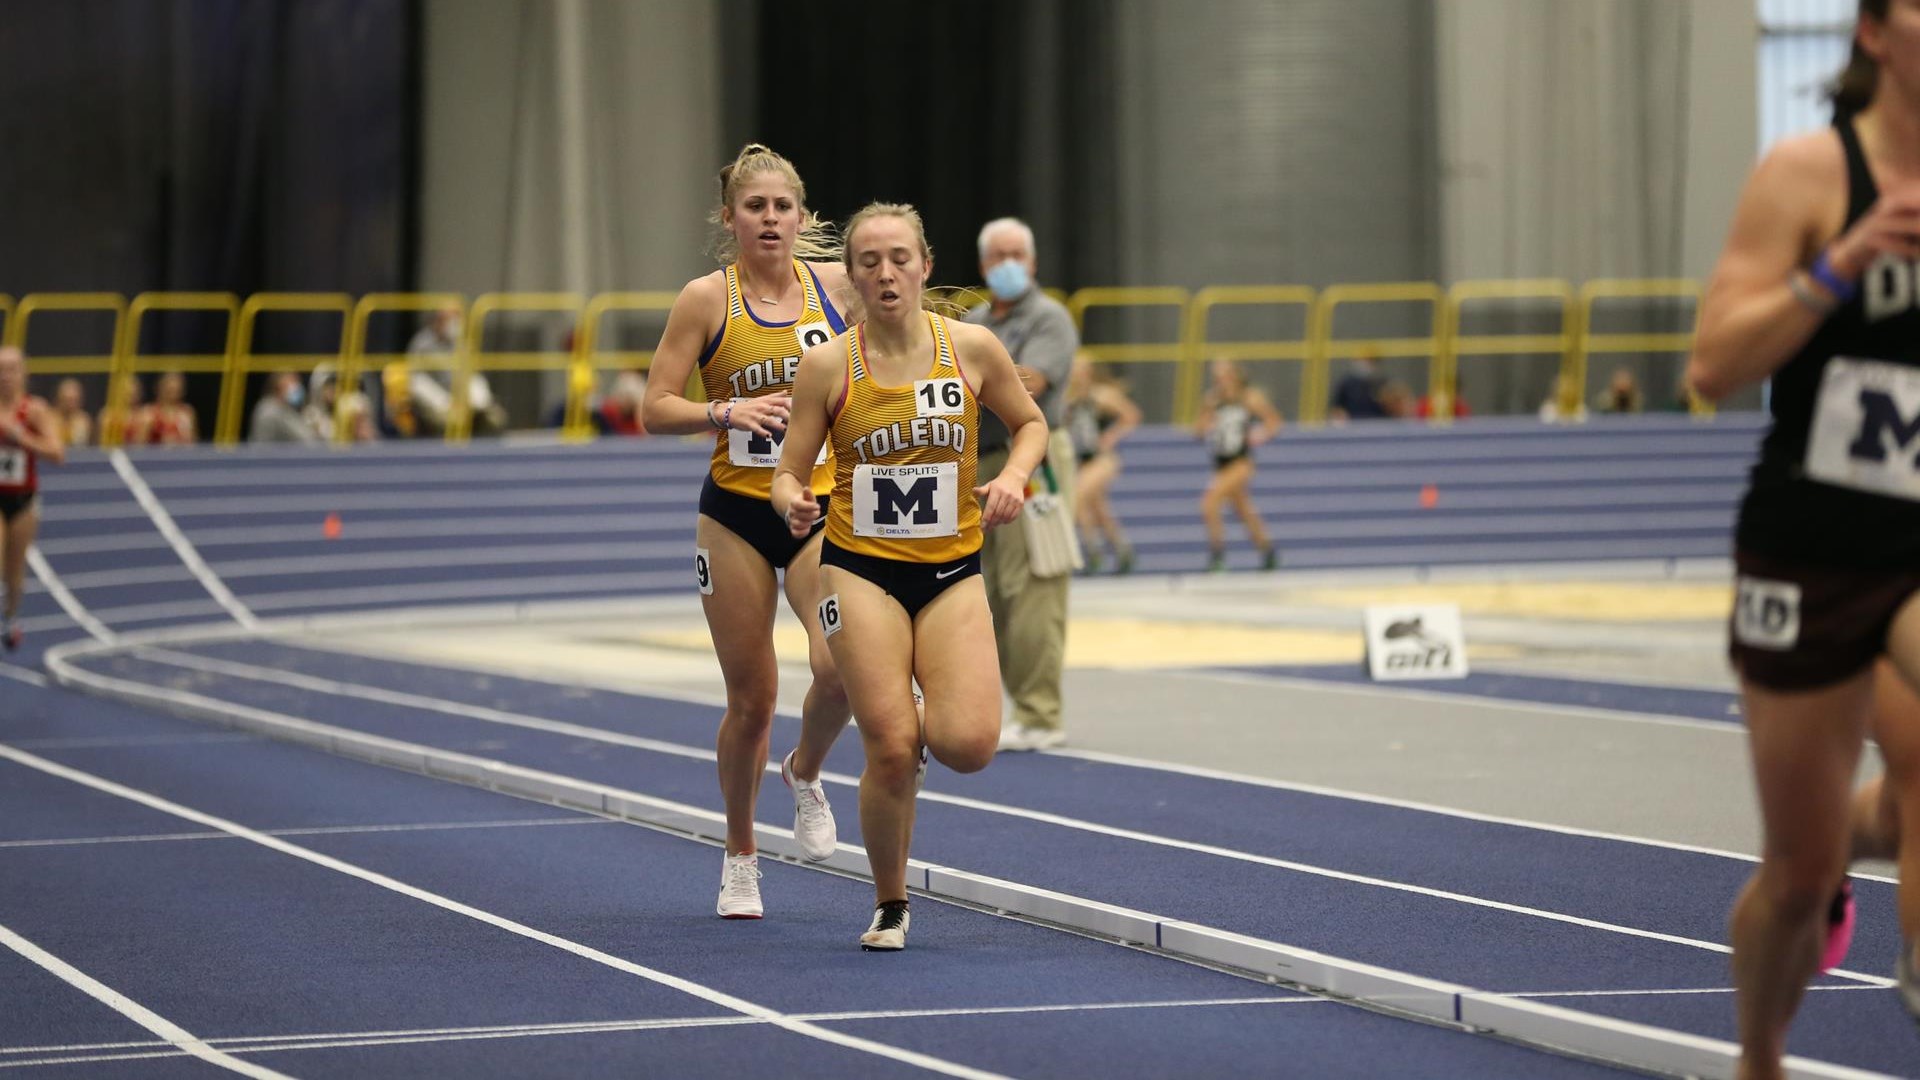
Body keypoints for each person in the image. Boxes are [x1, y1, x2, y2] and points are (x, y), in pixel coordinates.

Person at [1686, 3, 1920, 1069]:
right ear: (1876, 32)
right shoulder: (1809, 174)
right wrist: (1839, 266)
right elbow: (1712, 367)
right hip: (1813, 546)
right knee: (1797, 873)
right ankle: (1759, 1058)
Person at [773, 202, 1047, 951]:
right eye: (870, 262)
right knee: (893, 748)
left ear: (925, 266)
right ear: (853, 277)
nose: (886, 274)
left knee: (969, 744)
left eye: (900, 259)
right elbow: (789, 472)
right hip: (860, 569)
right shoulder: (830, 365)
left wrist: (1014, 477)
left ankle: (909, 706)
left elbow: (1031, 423)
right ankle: (891, 903)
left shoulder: (973, 348)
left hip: (952, 570)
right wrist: (791, 500)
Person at [639, 144, 858, 920]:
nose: (769, 219)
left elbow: (901, 345)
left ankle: (806, 769)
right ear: (729, 217)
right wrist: (723, 410)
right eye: (755, 207)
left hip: (817, 508)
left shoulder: (837, 289)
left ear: (801, 217)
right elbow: (653, 406)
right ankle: (740, 855)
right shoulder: (707, 300)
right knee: (753, 699)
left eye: (782, 207)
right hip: (735, 516)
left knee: (841, 667)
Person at [963, 217, 1079, 752]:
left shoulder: (1049, 317)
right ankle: (1013, 704)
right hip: (979, 460)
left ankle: (1040, 712)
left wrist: (975, 378)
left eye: (1017, 255)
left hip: (1033, 460)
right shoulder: (977, 321)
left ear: (1031, 263)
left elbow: (1031, 383)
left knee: (1034, 583)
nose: (1008, 264)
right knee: (989, 590)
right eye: (998, 256)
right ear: (984, 265)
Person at [0, 347, 65, 652]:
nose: (5, 376)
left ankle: (11, 617)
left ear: (23, 373)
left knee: (14, 571)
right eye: (0, 369)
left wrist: (21, 437)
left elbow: (57, 453)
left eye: (11, 369)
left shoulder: (35, 410)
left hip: (23, 500)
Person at [1196, 359, 1281, 572]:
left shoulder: (1248, 397)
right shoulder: (1212, 400)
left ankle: (1217, 556)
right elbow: (1199, 431)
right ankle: (1267, 550)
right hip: (1221, 463)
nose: (1220, 381)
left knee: (1209, 502)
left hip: (1241, 462)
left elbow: (1273, 421)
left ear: (1234, 375)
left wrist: (1259, 436)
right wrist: (1207, 416)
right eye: (1216, 377)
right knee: (1243, 510)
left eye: (1224, 375)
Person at [1064, 352, 1141, 574]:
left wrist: (1111, 436)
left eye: (1081, 369)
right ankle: (1123, 550)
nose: (1077, 374)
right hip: (1082, 460)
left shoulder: (1100, 395)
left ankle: (1093, 551)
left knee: (1078, 497)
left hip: (1102, 459)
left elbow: (1131, 415)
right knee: (1099, 510)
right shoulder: (1068, 399)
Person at [404, 301, 509, 437]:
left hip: (460, 394)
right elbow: (417, 379)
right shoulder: (422, 343)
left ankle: (481, 410)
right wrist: (446, 401)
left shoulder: (460, 343)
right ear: (438, 320)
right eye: (450, 319)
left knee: (491, 410)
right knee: (420, 385)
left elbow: (471, 372)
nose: (455, 323)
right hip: (438, 396)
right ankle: (452, 413)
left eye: (457, 319)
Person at [126, 371, 197, 446]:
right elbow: (139, 445)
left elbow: (194, 444)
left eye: (177, 387)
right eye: (170, 387)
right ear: (160, 387)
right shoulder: (149, 413)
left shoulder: (187, 412)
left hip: (181, 452)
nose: (174, 387)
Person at [249, 372, 321, 444]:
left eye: (298, 381)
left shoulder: (286, 408)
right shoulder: (269, 410)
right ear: (279, 385)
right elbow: (307, 439)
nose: (297, 386)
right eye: (292, 381)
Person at [1328, 348, 1387, 422]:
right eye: (1363, 360)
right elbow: (1337, 408)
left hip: (1378, 423)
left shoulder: (1382, 383)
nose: (1365, 363)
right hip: (1353, 424)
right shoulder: (1347, 384)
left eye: (1369, 360)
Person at [51, 378, 93, 448]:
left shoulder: (84, 420)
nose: (71, 405)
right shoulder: (49, 418)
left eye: (75, 400)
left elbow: (90, 447)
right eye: (68, 400)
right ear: (58, 399)